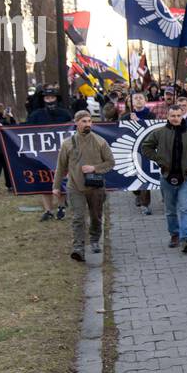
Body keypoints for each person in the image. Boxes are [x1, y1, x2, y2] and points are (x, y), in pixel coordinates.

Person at [138, 103, 187, 253]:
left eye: (178, 115)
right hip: (166, 176)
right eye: (172, 116)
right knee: (170, 210)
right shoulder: (159, 133)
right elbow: (145, 147)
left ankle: (186, 238)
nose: (176, 118)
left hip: (186, 177)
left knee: (184, 208)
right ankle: (174, 234)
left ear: (182, 116)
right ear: (167, 117)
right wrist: (158, 159)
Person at [54, 110, 113, 261]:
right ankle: (78, 247)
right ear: (76, 123)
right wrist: (56, 186)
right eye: (84, 121)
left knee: (96, 216)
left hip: (95, 187)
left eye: (89, 121)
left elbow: (110, 162)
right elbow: (61, 167)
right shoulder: (68, 143)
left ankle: (94, 240)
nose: (87, 124)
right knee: (78, 217)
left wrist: (95, 168)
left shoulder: (100, 141)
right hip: (75, 187)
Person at [26, 86, 71, 221]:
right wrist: (3, 125)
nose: (50, 100)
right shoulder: (36, 115)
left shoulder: (65, 114)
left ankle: (61, 206)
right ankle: (48, 210)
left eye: (52, 98)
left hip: (61, 153)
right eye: (47, 98)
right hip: (42, 155)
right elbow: (24, 129)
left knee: (61, 180)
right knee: (44, 181)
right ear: (43, 99)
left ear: (56, 99)